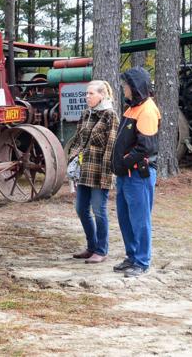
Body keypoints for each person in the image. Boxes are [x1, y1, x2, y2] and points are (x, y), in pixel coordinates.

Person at [111, 67, 160, 278]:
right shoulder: (132, 108)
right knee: (125, 218)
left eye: (126, 86)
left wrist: (123, 163)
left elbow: (145, 148)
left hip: (138, 176)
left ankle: (142, 261)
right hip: (125, 176)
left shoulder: (147, 110)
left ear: (135, 86)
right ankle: (132, 256)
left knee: (140, 220)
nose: (124, 89)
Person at [66, 80, 119, 264]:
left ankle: (101, 250)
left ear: (102, 95)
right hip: (84, 170)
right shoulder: (85, 114)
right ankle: (91, 246)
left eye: (91, 93)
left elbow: (111, 146)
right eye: (86, 93)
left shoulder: (110, 116)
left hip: (100, 170)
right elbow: (78, 141)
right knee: (81, 208)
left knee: (99, 210)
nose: (87, 96)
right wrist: (72, 159)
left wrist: (107, 174)